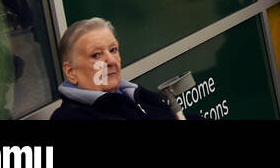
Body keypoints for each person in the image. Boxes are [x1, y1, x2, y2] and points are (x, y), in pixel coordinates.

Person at [52, 18, 191, 120]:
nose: (111, 61)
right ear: (71, 72)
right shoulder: (70, 117)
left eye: (113, 50)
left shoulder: (136, 94)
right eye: (96, 55)